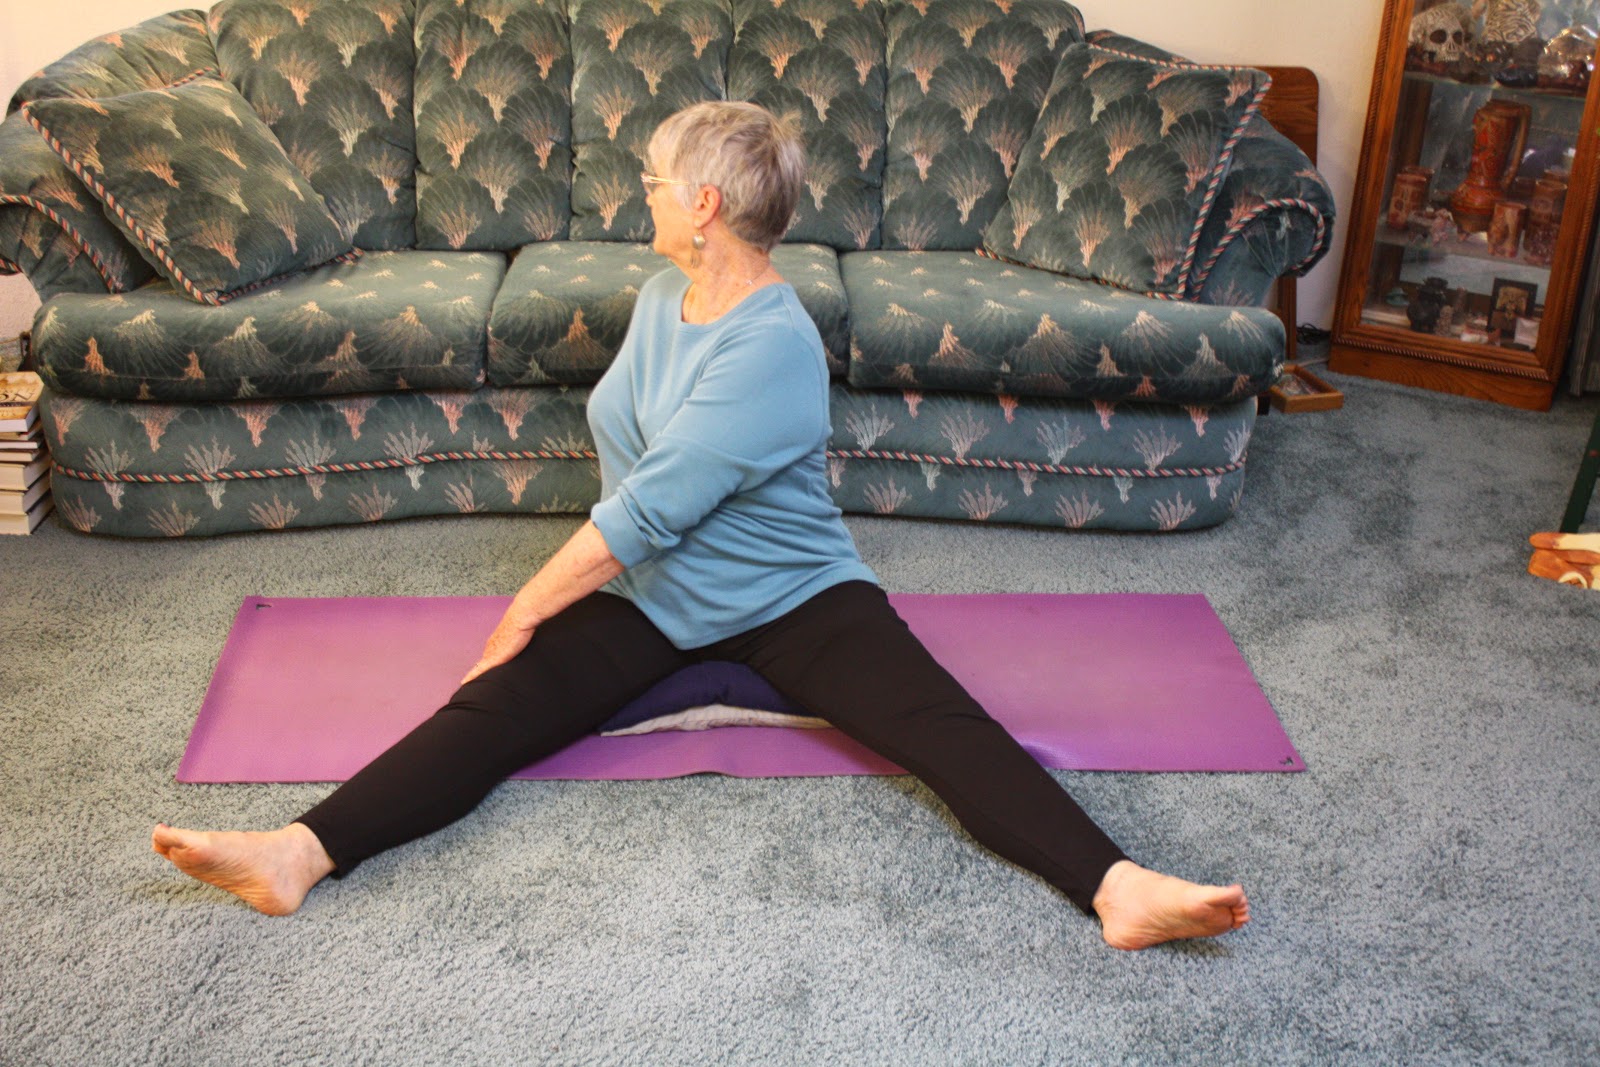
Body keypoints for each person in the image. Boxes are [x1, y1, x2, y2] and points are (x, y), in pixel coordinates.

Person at [153, 102, 1249, 951]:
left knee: (943, 727)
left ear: (707, 203)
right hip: (659, 593)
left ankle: (1121, 887)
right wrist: (537, 638)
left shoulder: (772, 343)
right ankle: (298, 851)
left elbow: (651, 502)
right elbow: (643, 474)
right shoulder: (657, 297)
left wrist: (522, 606)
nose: (644, 196)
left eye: (654, 182)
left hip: (794, 596)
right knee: (493, 713)